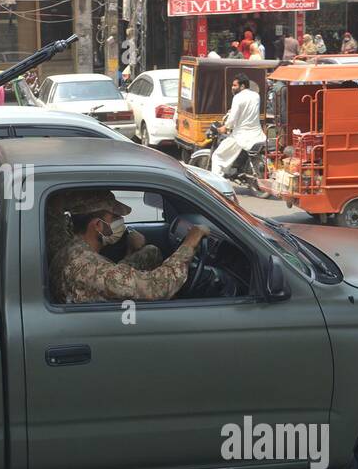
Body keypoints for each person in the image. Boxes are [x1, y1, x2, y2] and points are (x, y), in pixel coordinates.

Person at [49, 189, 209, 304]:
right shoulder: (87, 267)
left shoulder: (72, 249)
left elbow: (110, 277)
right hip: (105, 330)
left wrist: (131, 251)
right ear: (98, 225)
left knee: (150, 252)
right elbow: (156, 288)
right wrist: (190, 243)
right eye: (115, 217)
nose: (121, 222)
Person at [212, 73, 266, 178]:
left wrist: (225, 127)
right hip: (257, 135)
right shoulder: (256, 96)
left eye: (234, 85)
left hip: (241, 136)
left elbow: (232, 119)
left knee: (218, 157)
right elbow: (248, 111)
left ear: (242, 86)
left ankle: (216, 184)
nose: (232, 88)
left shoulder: (238, 98)